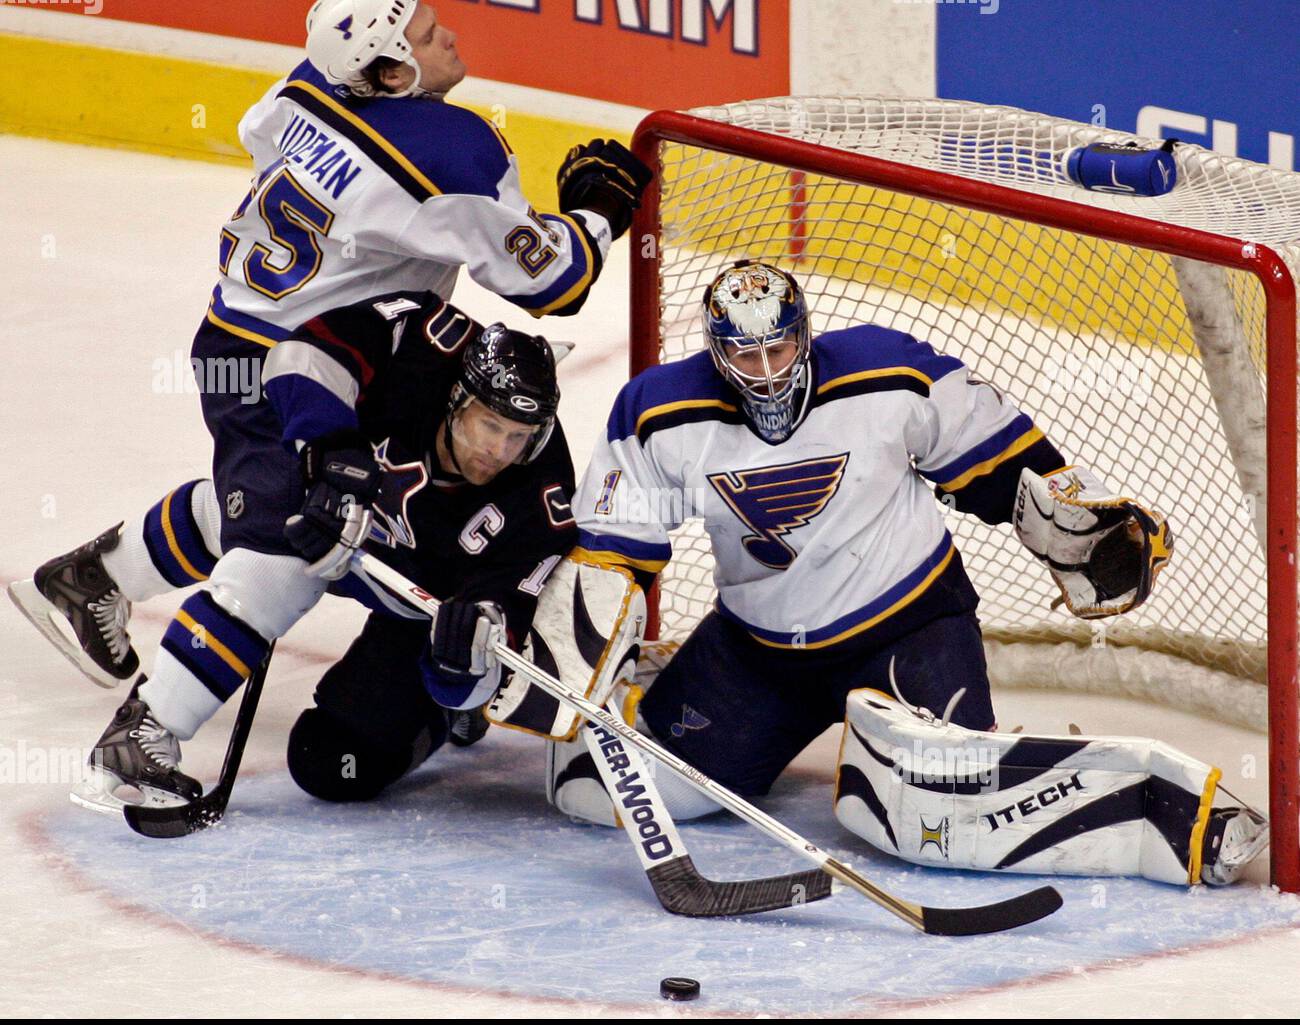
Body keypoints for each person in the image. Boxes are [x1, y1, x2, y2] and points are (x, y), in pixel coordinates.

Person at [9, 0, 644, 794]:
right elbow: (554, 280)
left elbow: (259, 134)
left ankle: (96, 575)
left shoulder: (309, 82)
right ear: (387, 73)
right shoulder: (449, 150)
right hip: (308, 362)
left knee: (278, 500)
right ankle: (145, 735)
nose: (444, 31)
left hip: (238, 336)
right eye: (419, 36)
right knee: (288, 547)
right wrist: (597, 212)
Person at [557, 260, 1267, 887]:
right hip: (759, 653)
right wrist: (573, 648)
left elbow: (1003, 463)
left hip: (906, 629)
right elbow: (614, 551)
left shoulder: (887, 371)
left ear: (805, 334)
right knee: (597, 788)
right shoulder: (659, 413)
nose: (768, 370)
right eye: (747, 354)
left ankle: (1171, 814)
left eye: (779, 346)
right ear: (716, 353)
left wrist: (1074, 524)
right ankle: (650, 677)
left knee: (948, 807)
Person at [67, 290, 575, 808]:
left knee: (332, 763)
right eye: (491, 427)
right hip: (333, 511)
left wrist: (458, 664)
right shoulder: (423, 340)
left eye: (520, 437)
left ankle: (445, 719)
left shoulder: (543, 500)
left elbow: (493, 646)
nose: (500, 451)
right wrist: (329, 450)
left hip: (415, 607)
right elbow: (299, 357)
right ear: (456, 400)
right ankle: (142, 720)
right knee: (270, 536)